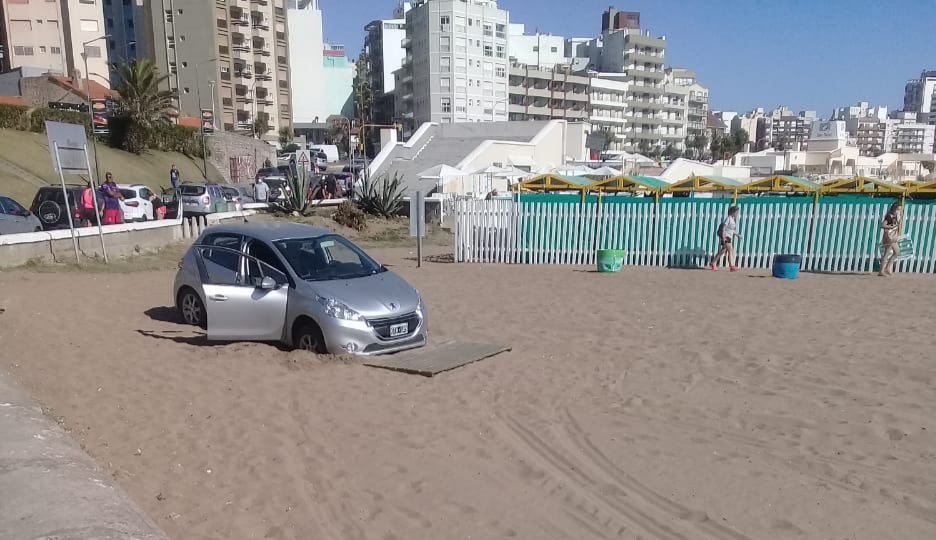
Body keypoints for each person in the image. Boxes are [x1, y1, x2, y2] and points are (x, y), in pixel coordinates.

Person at [710, 205, 742, 272]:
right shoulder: (728, 218)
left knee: (723, 251)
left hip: (729, 236)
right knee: (730, 250)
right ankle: (732, 266)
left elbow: (731, 230)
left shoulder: (732, 220)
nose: (737, 214)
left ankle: (713, 263)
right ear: (733, 212)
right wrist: (723, 236)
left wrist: (737, 235)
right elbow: (724, 227)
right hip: (726, 236)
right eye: (736, 212)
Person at [878, 201, 902, 276]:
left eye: (900, 209)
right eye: (898, 209)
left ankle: (887, 267)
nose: (899, 211)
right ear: (894, 208)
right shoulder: (889, 216)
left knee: (897, 252)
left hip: (893, 236)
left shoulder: (896, 216)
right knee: (886, 253)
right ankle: (881, 271)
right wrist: (891, 227)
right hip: (888, 236)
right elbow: (883, 225)